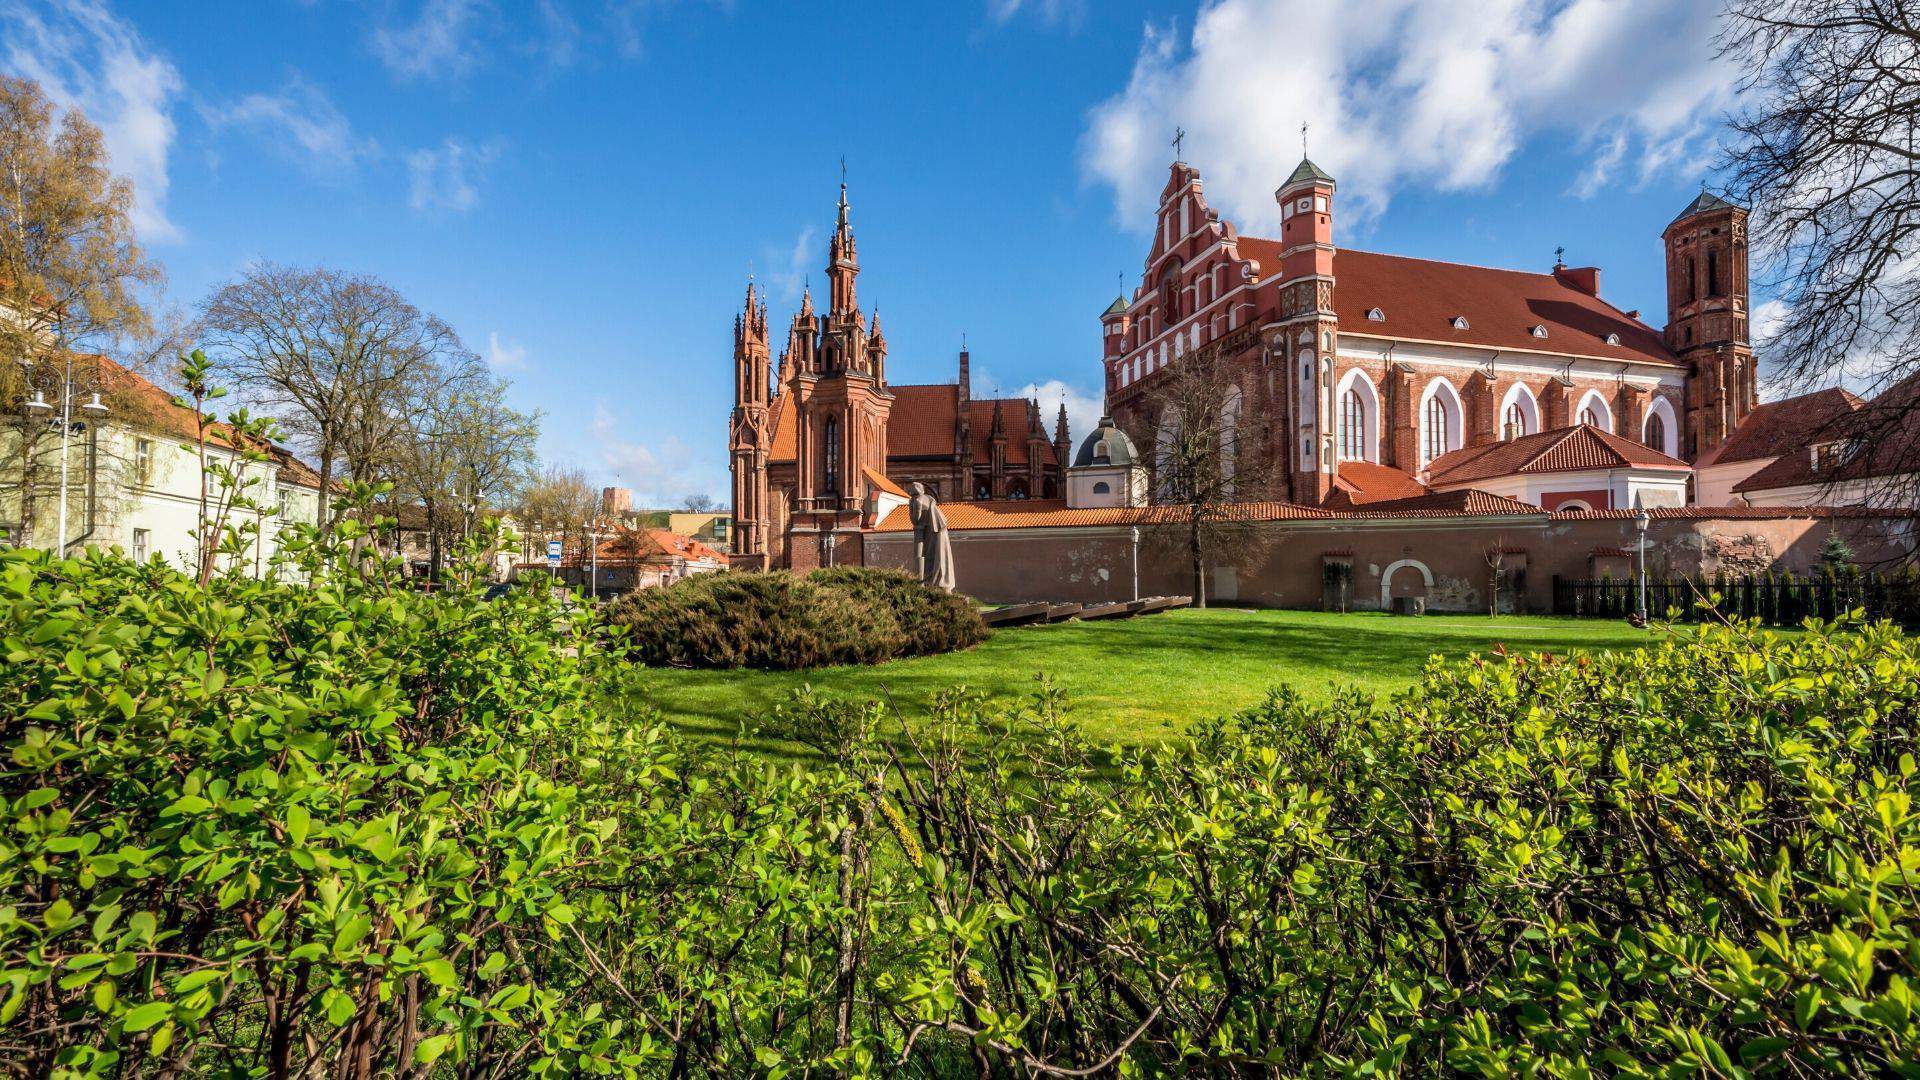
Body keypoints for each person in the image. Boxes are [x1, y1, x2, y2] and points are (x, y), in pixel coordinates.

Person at [907, 481, 956, 592]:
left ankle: (934, 582)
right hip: (937, 527)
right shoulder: (927, 498)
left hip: (933, 528)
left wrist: (911, 506)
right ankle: (938, 581)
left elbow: (916, 520)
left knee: (934, 555)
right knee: (939, 554)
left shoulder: (918, 501)